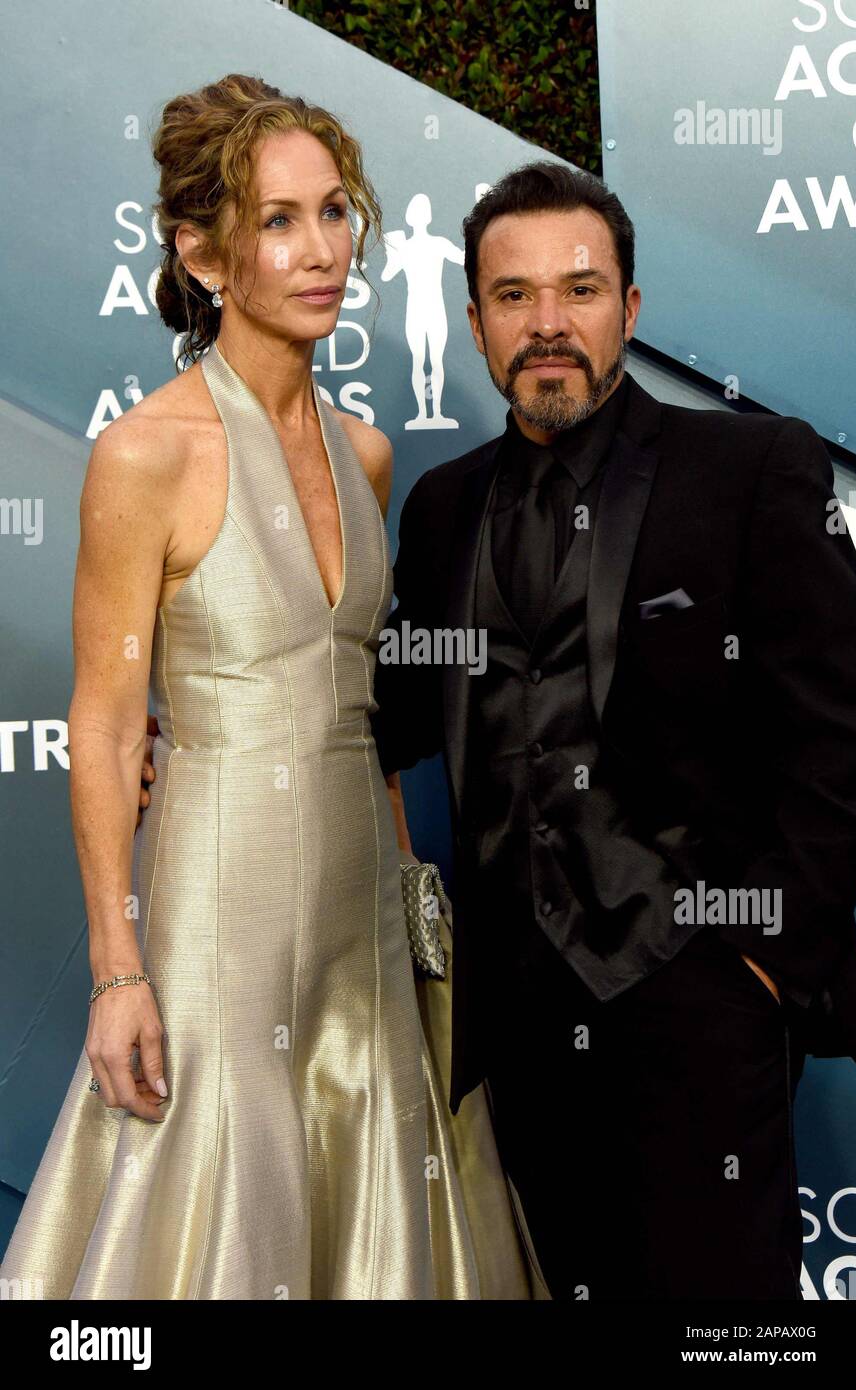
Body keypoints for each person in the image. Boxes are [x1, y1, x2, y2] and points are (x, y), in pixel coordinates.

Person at [0, 76, 546, 1301]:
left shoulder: (366, 450)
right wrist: (117, 967)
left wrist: (412, 894)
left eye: (334, 212)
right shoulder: (146, 452)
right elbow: (102, 718)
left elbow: (358, 702)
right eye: (278, 221)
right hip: (217, 884)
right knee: (215, 1180)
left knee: (372, 1175)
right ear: (201, 253)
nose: (322, 252)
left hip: (363, 881)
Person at [368, 161, 856, 1300]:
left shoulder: (746, 467)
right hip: (516, 1019)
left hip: (698, 987)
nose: (547, 325)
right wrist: (187, 729)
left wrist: (764, 962)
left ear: (629, 311)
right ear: (475, 322)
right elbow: (391, 702)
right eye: (512, 296)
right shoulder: (443, 508)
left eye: (579, 291)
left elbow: (837, 727)